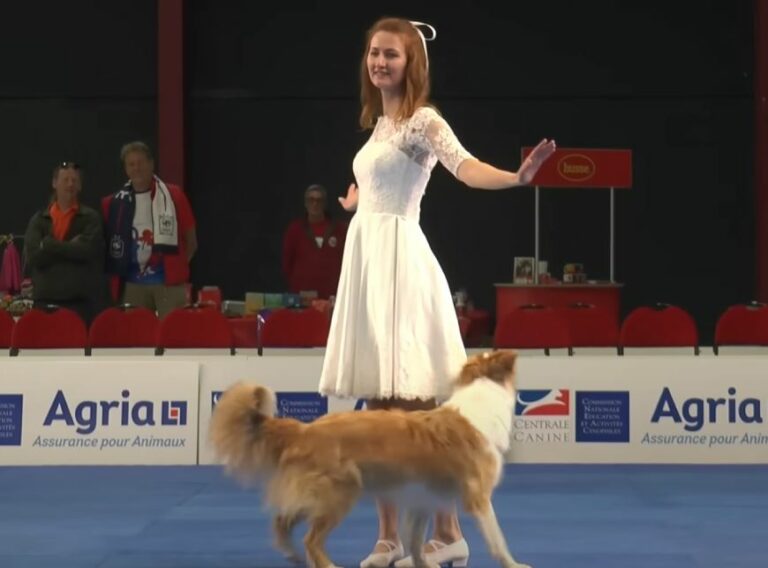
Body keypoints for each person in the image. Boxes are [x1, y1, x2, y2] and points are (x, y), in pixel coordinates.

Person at [317, 17, 556, 568]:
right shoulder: (377, 124)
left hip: (402, 262)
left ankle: (448, 532)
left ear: (412, 64)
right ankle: (388, 539)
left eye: (391, 56)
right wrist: (356, 206)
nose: (380, 62)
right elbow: (380, 188)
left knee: (417, 402)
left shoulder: (424, 122)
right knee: (376, 404)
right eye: (374, 53)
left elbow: (465, 168)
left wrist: (517, 178)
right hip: (369, 258)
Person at [102, 141, 197, 319]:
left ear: (151, 164)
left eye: (141, 162)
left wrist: (176, 267)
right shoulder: (112, 204)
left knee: (173, 339)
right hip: (131, 286)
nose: (136, 168)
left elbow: (191, 241)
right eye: (131, 164)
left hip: (169, 285)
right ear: (126, 169)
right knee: (134, 341)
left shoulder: (174, 196)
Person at [24, 161, 105, 325]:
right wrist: (71, 248)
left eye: (74, 180)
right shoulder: (39, 220)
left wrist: (48, 244)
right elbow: (34, 258)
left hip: (81, 306)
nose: (70, 184)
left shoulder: (90, 218)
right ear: (54, 183)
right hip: (44, 304)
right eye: (65, 179)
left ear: (80, 186)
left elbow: (87, 252)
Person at [282, 184, 348, 299]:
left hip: (332, 296)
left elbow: (346, 261)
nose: (315, 204)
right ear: (305, 203)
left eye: (319, 200)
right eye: (311, 200)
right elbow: (287, 263)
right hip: (302, 297)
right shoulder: (295, 229)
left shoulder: (339, 230)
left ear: (324, 204)